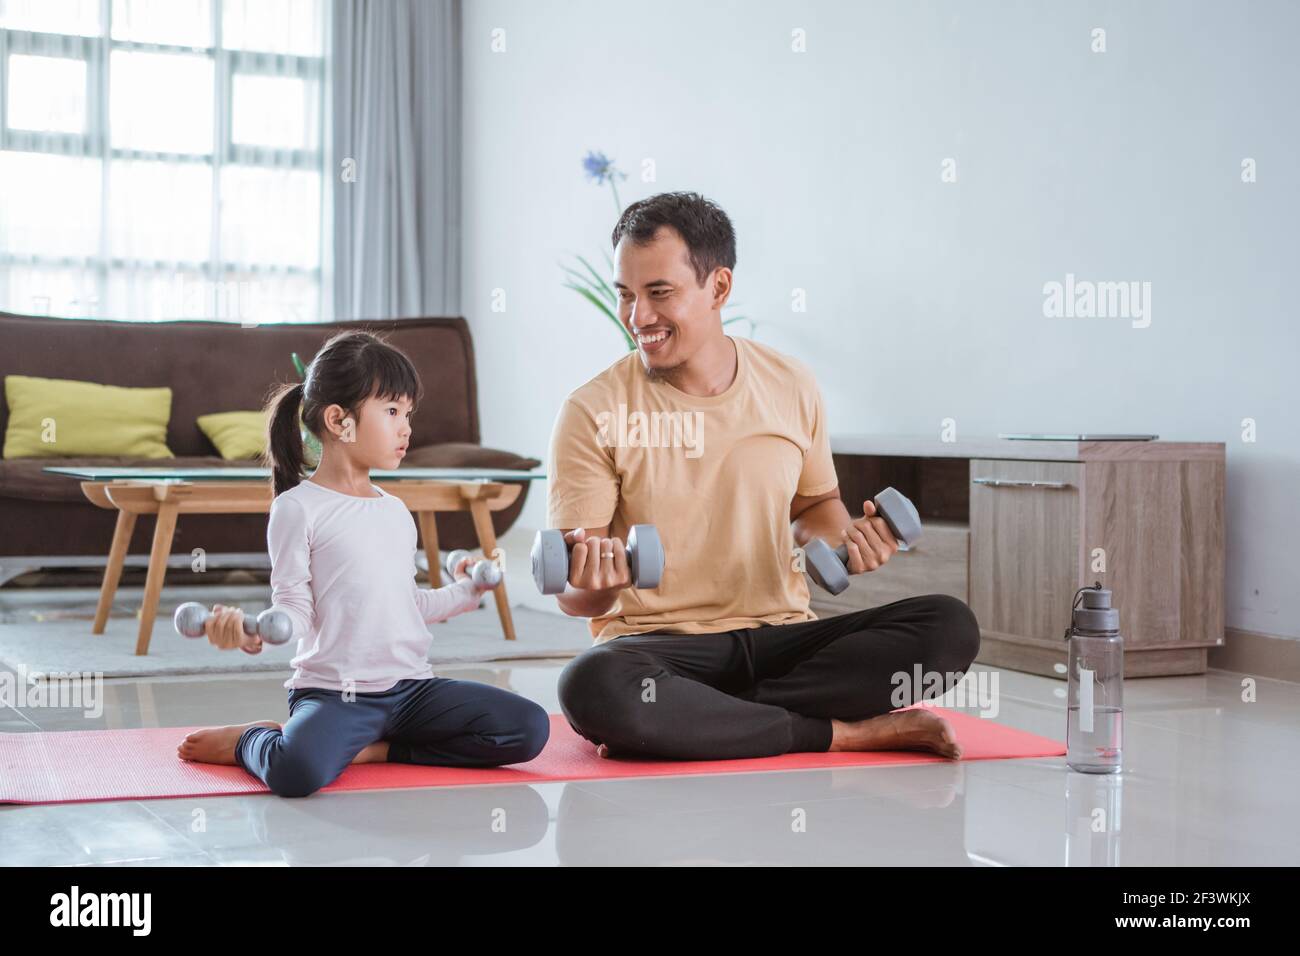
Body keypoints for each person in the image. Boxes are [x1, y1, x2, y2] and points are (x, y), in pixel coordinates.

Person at [547, 192, 980, 761]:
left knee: (949, 627)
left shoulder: (790, 383)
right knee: (593, 687)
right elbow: (577, 599)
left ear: (719, 288)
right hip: (660, 650)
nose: (638, 318)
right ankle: (842, 732)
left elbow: (815, 508)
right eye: (626, 295)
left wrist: (847, 542)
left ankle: (711, 720)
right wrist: (598, 581)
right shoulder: (592, 409)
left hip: (780, 635)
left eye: (659, 294)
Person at [177, 330, 549, 796]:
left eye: (408, 413)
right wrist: (252, 633)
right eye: (392, 411)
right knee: (297, 774)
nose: (406, 427)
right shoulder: (297, 508)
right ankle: (252, 739)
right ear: (339, 420)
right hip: (336, 694)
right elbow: (293, 608)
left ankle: (376, 749)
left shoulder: (394, 510)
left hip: (412, 691)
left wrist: (469, 590)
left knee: (528, 728)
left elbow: (407, 603)